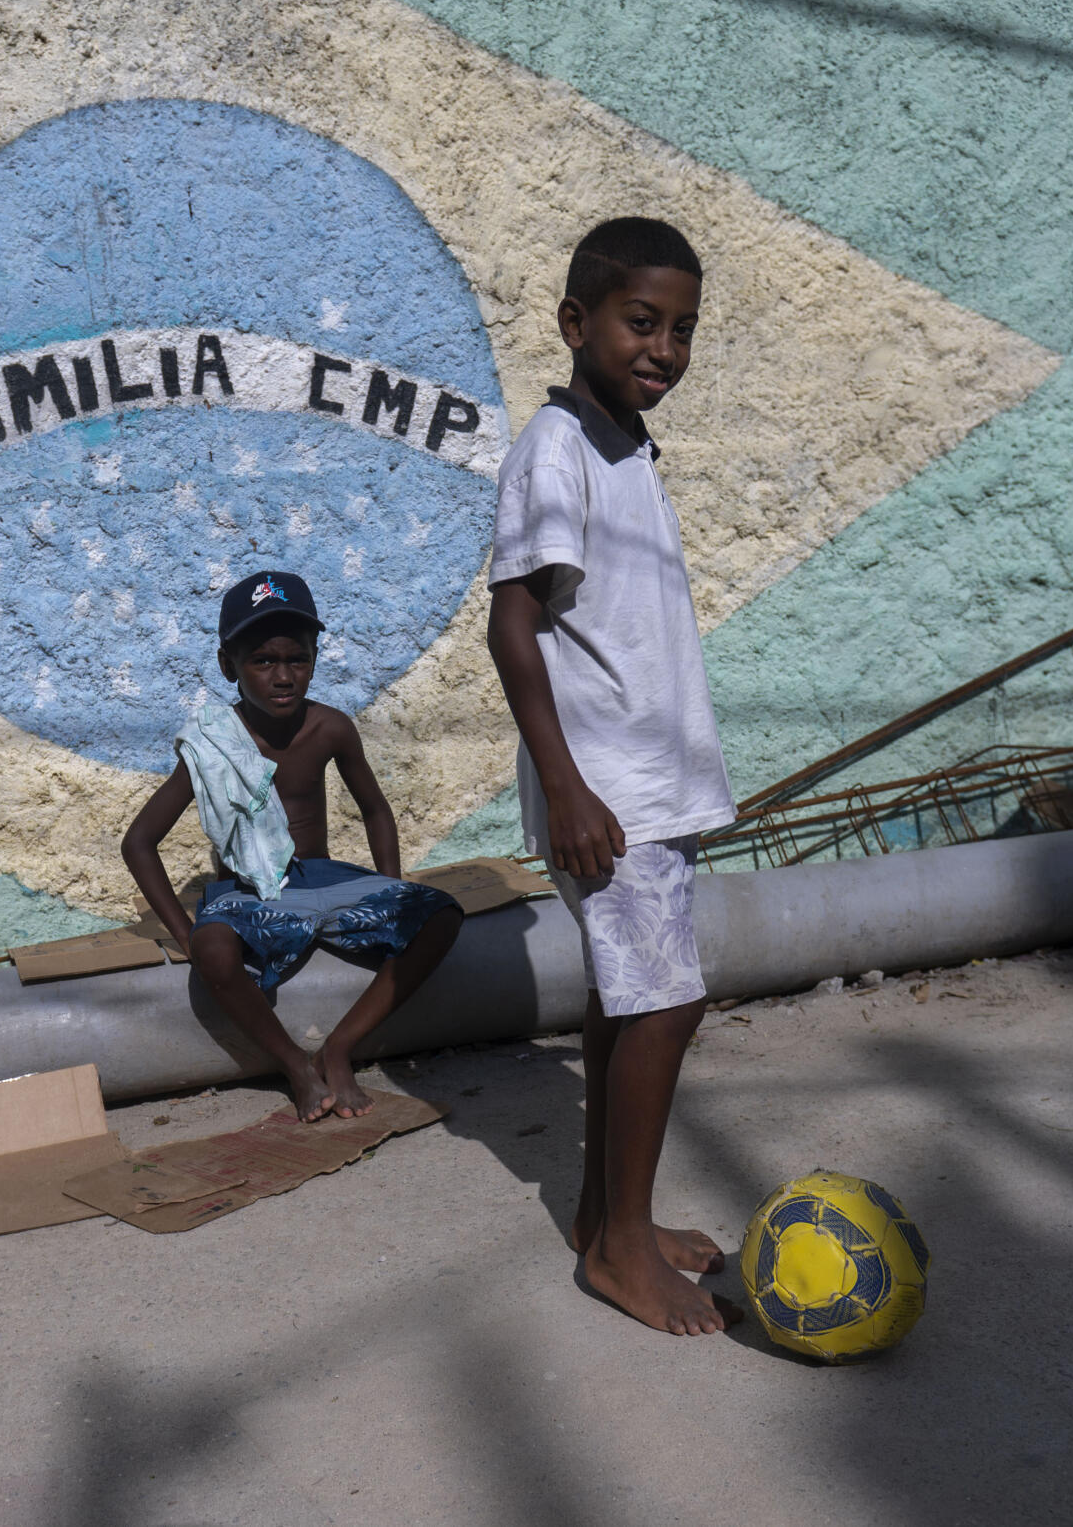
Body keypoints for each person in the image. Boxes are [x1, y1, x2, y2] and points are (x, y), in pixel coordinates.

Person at [486, 217, 742, 1336]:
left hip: (646, 784)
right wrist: (569, 788)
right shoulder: (553, 450)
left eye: (682, 330)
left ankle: (607, 1219)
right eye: (642, 322)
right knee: (667, 1004)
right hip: (609, 795)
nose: (664, 348)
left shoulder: (622, 445)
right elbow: (510, 628)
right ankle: (621, 1253)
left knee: (623, 1002)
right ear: (574, 322)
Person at [123, 570, 464, 1121]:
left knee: (442, 917)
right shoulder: (215, 744)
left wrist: (395, 885)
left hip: (325, 878)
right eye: (262, 662)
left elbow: (375, 809)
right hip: (254, 889)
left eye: (297, 659)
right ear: (227, 666)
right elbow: (139, 842)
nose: (283, 677)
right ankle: (294, 1064)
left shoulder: (330, 728)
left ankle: (339, 1047)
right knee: (212, 951)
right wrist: (185, 935)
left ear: (313, 659)